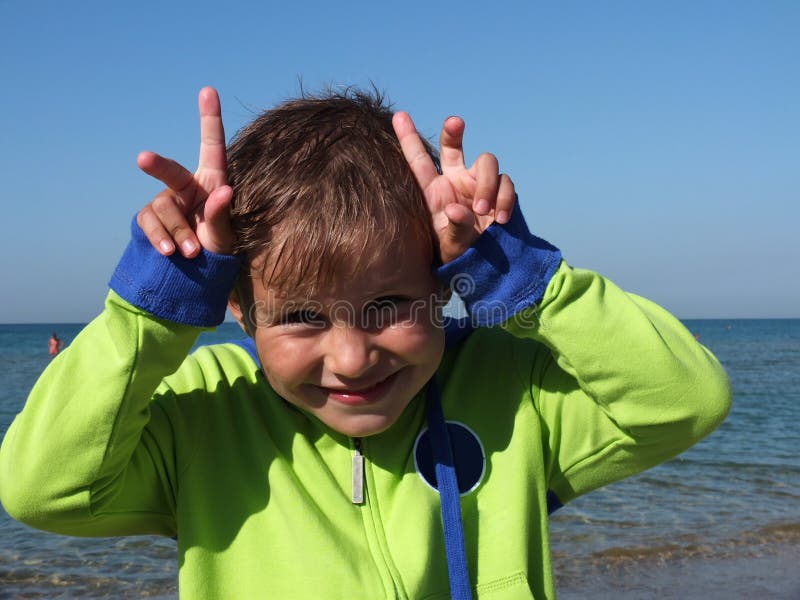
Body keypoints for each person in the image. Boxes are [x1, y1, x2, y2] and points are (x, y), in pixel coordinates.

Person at [0, 87, 731, 599]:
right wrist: (154, 314)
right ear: (238, 308)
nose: (351, 359)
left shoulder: (513, 393)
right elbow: (45, 489)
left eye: (387, 305)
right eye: (300, 318)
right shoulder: (205, 412)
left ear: (445, 284)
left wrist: (526, 281)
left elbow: (685, 401)